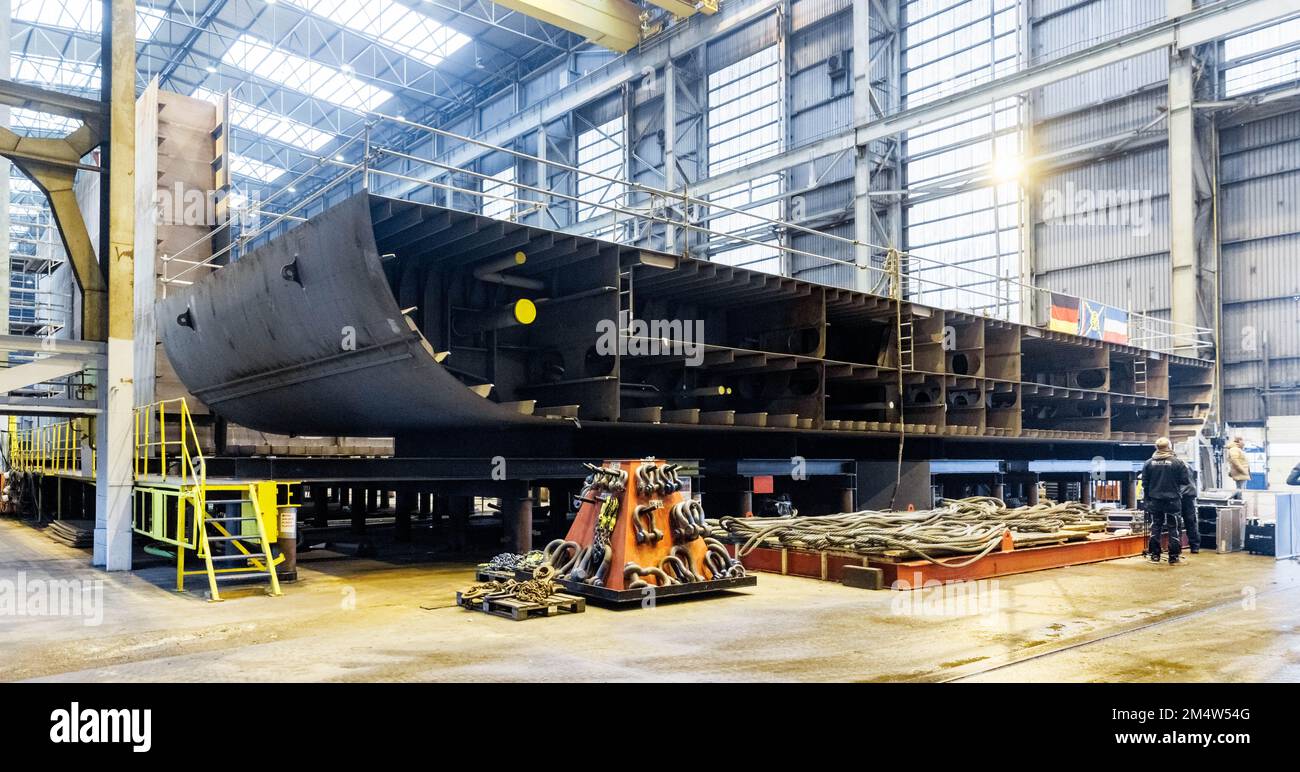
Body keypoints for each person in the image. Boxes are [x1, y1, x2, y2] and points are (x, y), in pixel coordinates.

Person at [1142, 437, 1192, 565]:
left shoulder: (1148, 463)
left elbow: (1145, 483)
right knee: (1173, 527)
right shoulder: (1177, 462)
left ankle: (1154, 556)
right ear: (1169, 447)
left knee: (1156, 526)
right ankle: (1174, 557)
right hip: (1172, 500)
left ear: (1156, 447)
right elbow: (1185, 481)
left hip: (1155, 500)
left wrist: (1148, 498)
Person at [1180, 471, 1200, 555]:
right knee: (1190, 521)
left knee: (1175, 522)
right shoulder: (1187, 465)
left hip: (1179, 495)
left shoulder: (1174, 465)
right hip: (1189, 494)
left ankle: (1176, 547)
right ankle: (1195, 546)